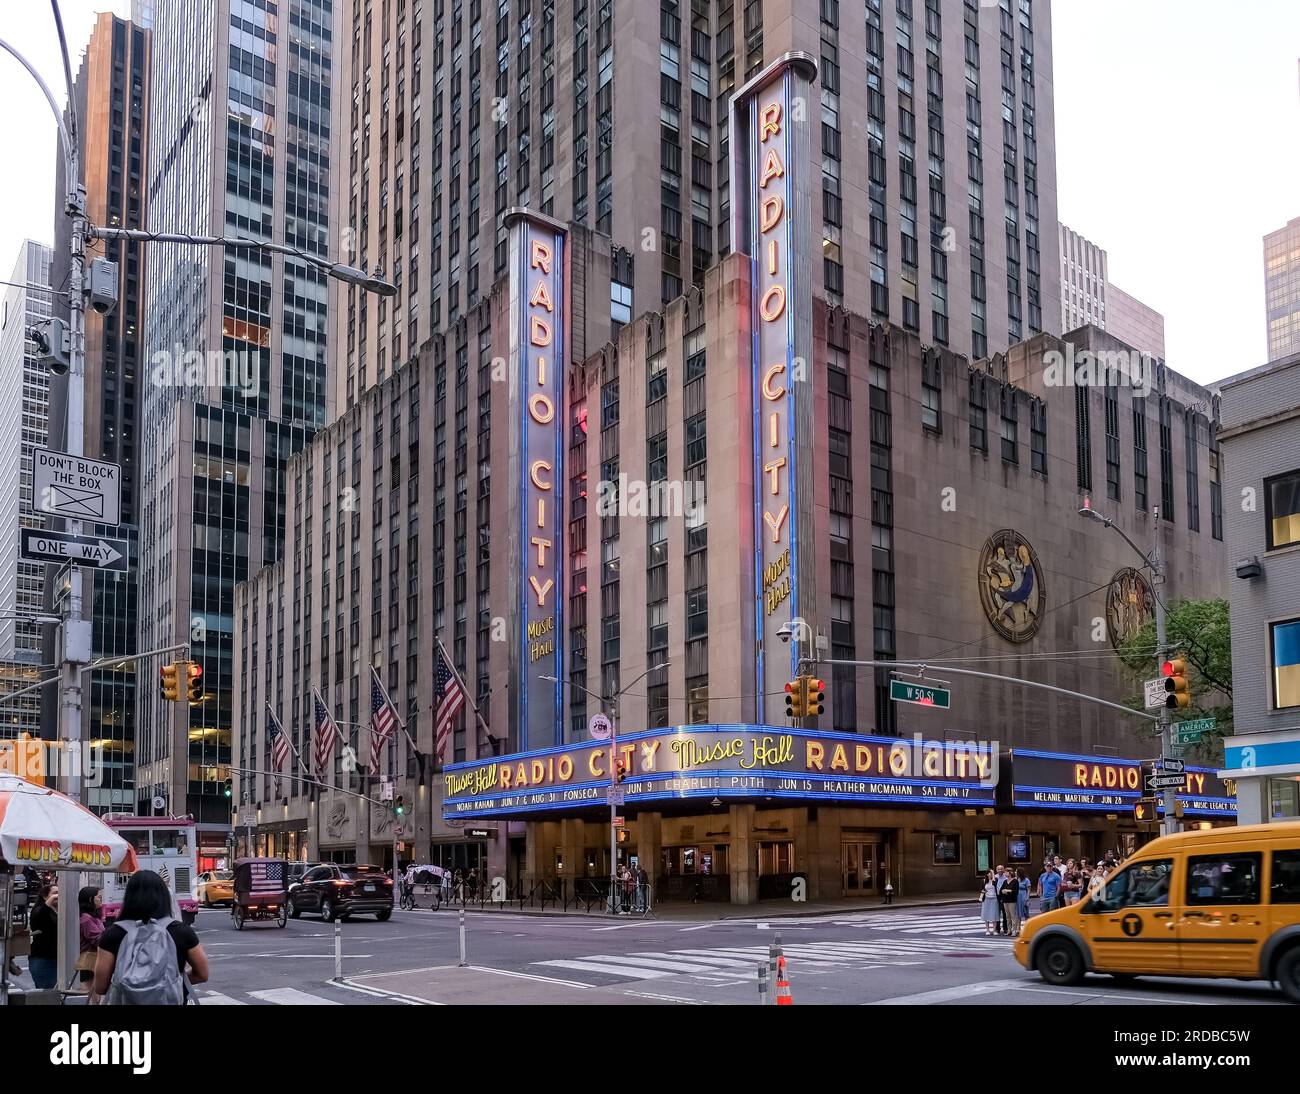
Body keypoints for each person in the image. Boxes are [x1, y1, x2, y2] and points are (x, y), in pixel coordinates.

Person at [94, 869, 208, 1005]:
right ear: (164, 897)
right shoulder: (181, 932)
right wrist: (172, 980)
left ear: (129, 897)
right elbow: (202, 974)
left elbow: (100, 987)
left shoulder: (113, 934)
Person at [27, 883, 59, 990]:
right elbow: (40, 915)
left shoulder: (58, 911)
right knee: (45, 991)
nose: (58, 896)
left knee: (55, 992)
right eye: (55, 893)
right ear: (45, 896)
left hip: (55, 957)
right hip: (42, 957)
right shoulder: (40, 910)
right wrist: (51, 901)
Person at [77, 885, 105, 990]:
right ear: (90, 899)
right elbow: (98, 939)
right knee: (95, 993)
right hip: (91, 960)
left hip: (94, 958)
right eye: (99, 897)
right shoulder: (86, 919)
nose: (101, 899)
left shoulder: (92, 917)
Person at [998, 867, 1021, 937]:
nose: (1005, 873)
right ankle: (1009, 930)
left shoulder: (1015, 881)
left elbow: (1016, 891)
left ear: (1010, 873)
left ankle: (1014, 930)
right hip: (1005, 900)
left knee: (1013, 916)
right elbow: (1001, 890)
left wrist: (1008, 891)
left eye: (1006, 872)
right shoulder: (1005, 881)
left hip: (1012, 900)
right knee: (1007, 916)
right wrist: (1003, 891)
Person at [979, 870, 1000, 936]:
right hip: (986, 899)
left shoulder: (995, 880)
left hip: (994, 898)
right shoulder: (984, 881)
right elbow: (982, 889)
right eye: (990, 873)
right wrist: (983, 893)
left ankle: (994, 930)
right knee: (986, 913)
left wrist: (993, 875)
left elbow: (995, 885)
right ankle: (987, 929)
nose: (991, 874)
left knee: (994, 914)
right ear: (987, 874)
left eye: (992, 873)